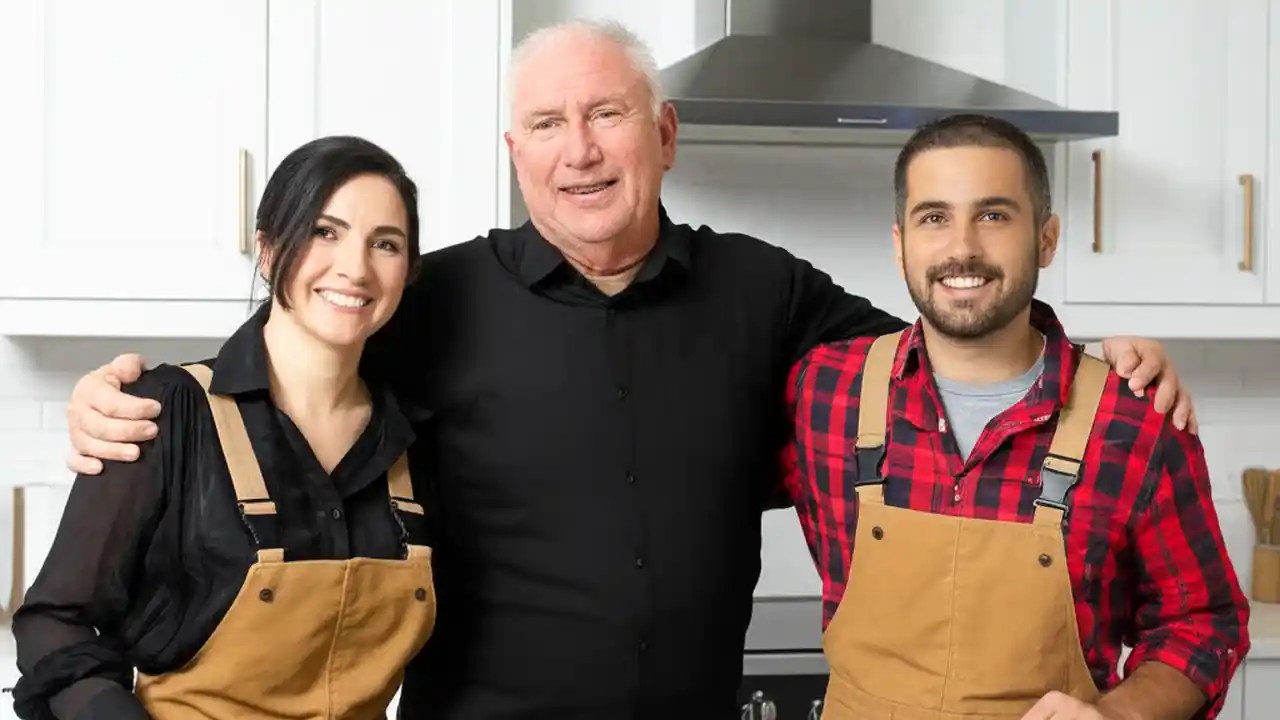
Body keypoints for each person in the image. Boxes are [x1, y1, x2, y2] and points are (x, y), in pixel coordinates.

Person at [58, 21, 1196, 719]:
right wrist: (128, 392)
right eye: (546, 124)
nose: (579, 149)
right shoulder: (431, 296)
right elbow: (300, 345)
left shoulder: (766, 292)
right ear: (515, 156)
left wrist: (1095, 356)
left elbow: (947, 344)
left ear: (663, 134)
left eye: (606, 114)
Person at [782, 114, 1249, 720]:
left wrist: (1117, 716)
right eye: (934, 217)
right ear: (900, 244)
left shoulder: (1135, 420)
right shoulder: (822, 392)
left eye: (994, 215)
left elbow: (1202, 624)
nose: (962, 248)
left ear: (1046, 239)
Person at [11, 136, 440, 720]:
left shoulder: (416, 445)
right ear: (266, 249)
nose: (355, 267)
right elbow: (56, 620)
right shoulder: (165, 414)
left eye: (384, 244)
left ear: (407, 271)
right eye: (324, 231)